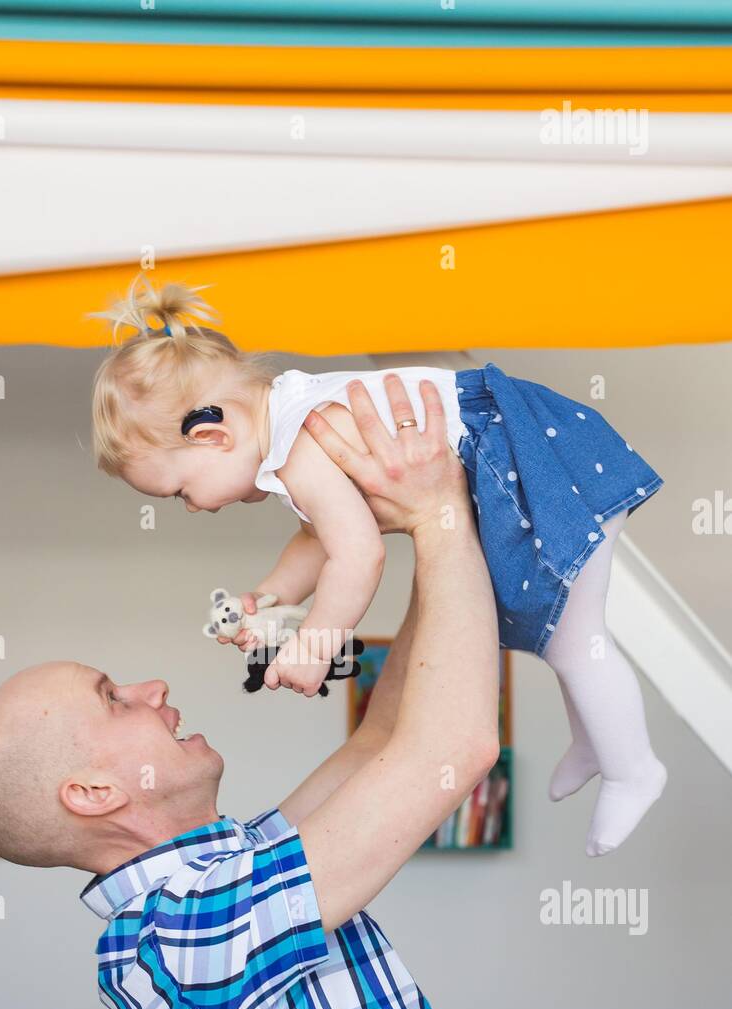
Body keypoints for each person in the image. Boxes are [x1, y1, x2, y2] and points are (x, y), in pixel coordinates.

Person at [0, 375, 530, 1009]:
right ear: (95, 791)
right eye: (113, 698)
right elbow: (453, 751)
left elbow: (387, 734)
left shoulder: (237, 869)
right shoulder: (186, 936)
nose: (149, 688)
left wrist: (423, 523)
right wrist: (440, 520)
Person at [88, 276, 667, 857]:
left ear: (212, 436)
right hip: (526, 447)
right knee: (559, 639)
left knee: (575, 640)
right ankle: (599, 742)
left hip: (532, 456)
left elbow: (358, 553)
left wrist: (315, 646)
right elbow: (317, 538)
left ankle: (633, 768)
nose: (193, 507)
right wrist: (268, 598)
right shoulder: (289, 420)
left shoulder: (302, 443)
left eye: (181, 492)